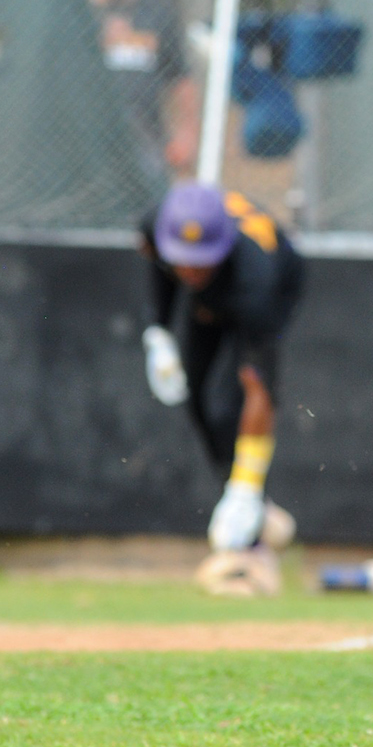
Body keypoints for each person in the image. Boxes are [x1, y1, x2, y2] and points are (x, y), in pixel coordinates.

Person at [140, 180, 306, 595]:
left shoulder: (257, 282)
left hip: (271, 287)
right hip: (212, 295)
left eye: (201, 262)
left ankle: (250, 535)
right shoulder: (155, 227)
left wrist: (244, 487)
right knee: (196, 397)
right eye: (183, 261)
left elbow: (260, 392)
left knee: (229, 406)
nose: (190, 271)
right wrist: (157, 330)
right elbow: (154, 260)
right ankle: (260, 517)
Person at [81, 0, 199, 185]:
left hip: (145, 142)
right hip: (86, 140)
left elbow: (181, 79)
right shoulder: (75, 13)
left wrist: (187, 135)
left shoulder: (157, 12)